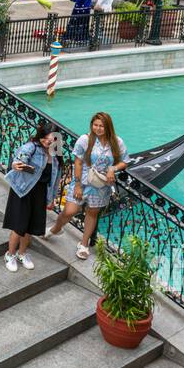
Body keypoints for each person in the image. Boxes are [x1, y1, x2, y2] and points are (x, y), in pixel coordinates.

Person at [49, 111, 129, 259]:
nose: (98, 128)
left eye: (102, 126)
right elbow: (78, 162)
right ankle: (56, 228)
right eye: (95, 125)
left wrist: (113, 168)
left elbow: (125, 160)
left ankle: (84, 244)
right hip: (83, 181)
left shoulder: (117, 142)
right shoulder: (85, 140)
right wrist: (78, 185)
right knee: (69, 211)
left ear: (108, 127)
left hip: (101, 185)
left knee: (92, 213)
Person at [2, 121, 61, 273]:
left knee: (30, 226)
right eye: (45, 137)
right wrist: (17, 164)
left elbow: (55, 179)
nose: (47, 141)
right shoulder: (32, 147)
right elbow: (20, 158)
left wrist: (52, 198)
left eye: (52, 139)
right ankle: (10, 254)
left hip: (40, 194)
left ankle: (22, 253)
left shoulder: (55, 156)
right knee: (19, 225)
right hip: (23, 191)